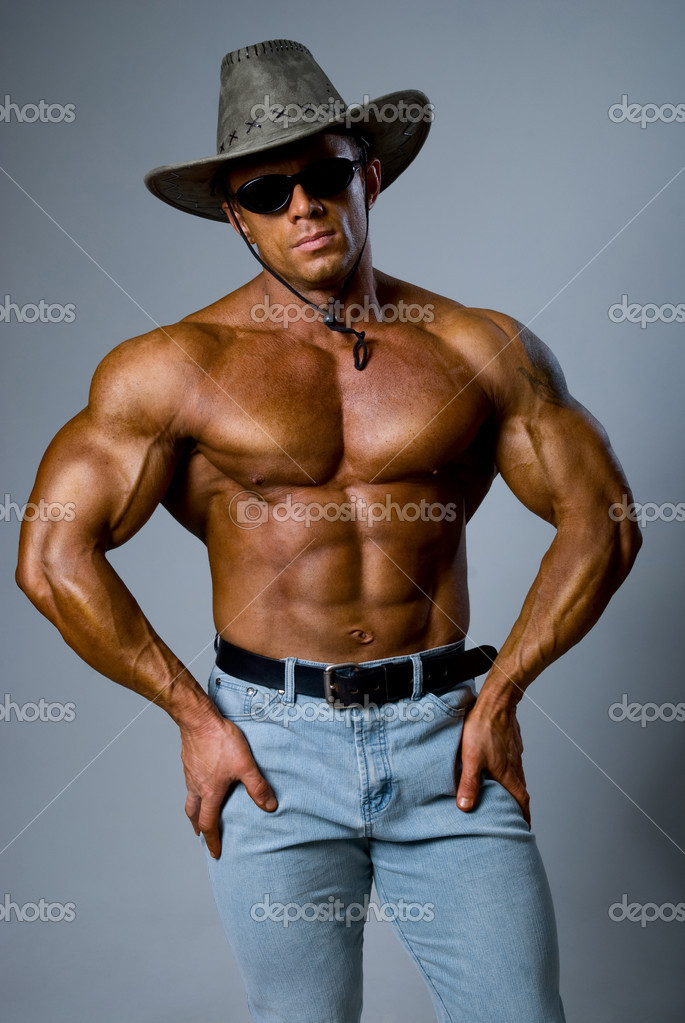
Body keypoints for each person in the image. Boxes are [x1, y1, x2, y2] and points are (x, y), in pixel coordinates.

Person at [16, 38, 641, 1023]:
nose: (301, 205)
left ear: (370, 178)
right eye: (267, 190)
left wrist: (504, 692)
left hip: (448, 745)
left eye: (325, 175)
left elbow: (601, 520)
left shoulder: (476, 346)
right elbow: (52, 557)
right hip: (272, 754)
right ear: (236, 216)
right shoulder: (170, 368)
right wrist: (194, 717)